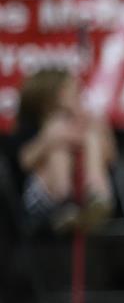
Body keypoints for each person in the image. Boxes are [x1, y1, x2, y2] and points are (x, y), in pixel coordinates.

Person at [11, 68, 115, 234]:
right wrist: (50, 139)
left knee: (92, 138)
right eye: (73, 91)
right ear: (54, 96)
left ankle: (96, 194)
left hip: (85, 192)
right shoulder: (36, 126)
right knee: (58, 148)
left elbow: (110, 158)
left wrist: (99, 130)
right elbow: (24, 161)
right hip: (48, 196)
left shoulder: (91, 121)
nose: (79, 94)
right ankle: (66, 202)